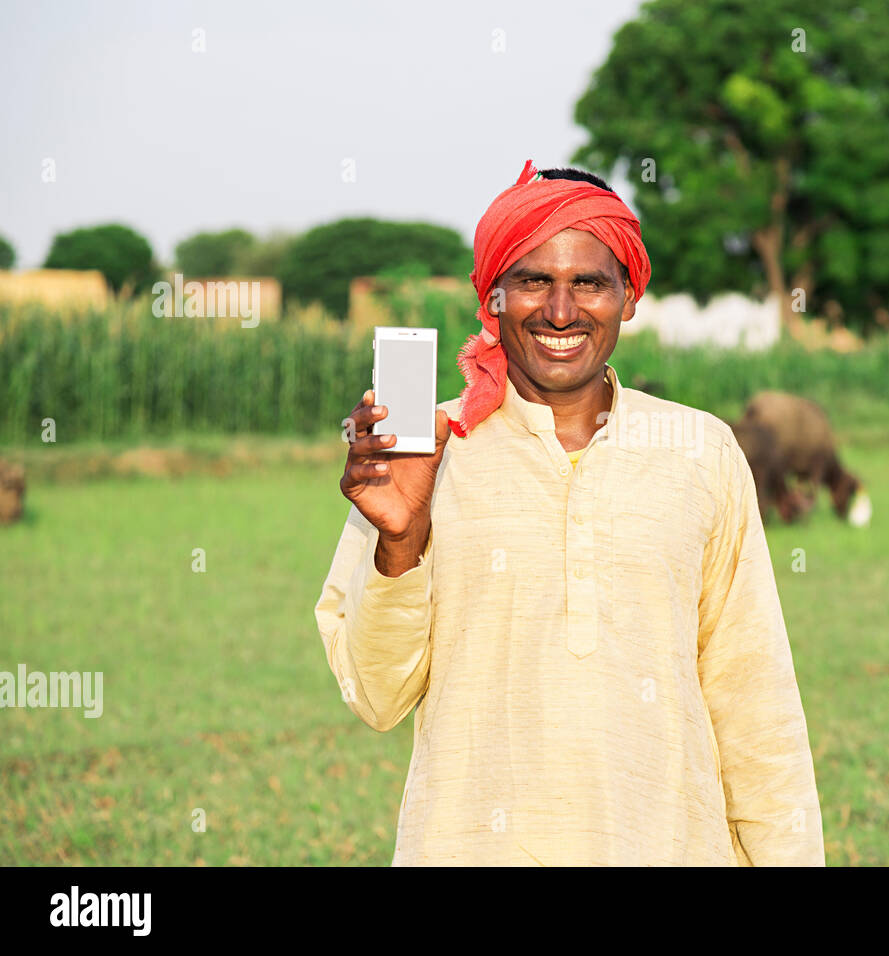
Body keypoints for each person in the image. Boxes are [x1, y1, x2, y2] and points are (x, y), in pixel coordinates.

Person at [314, 160, 824, 865]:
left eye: (588, 282)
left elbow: (755, 702)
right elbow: (376, 695)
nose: (561, 312)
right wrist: (398, 541)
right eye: (532, 281)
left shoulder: (701, 452)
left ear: (629, 296)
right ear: (492, 298)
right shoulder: (424, 453)